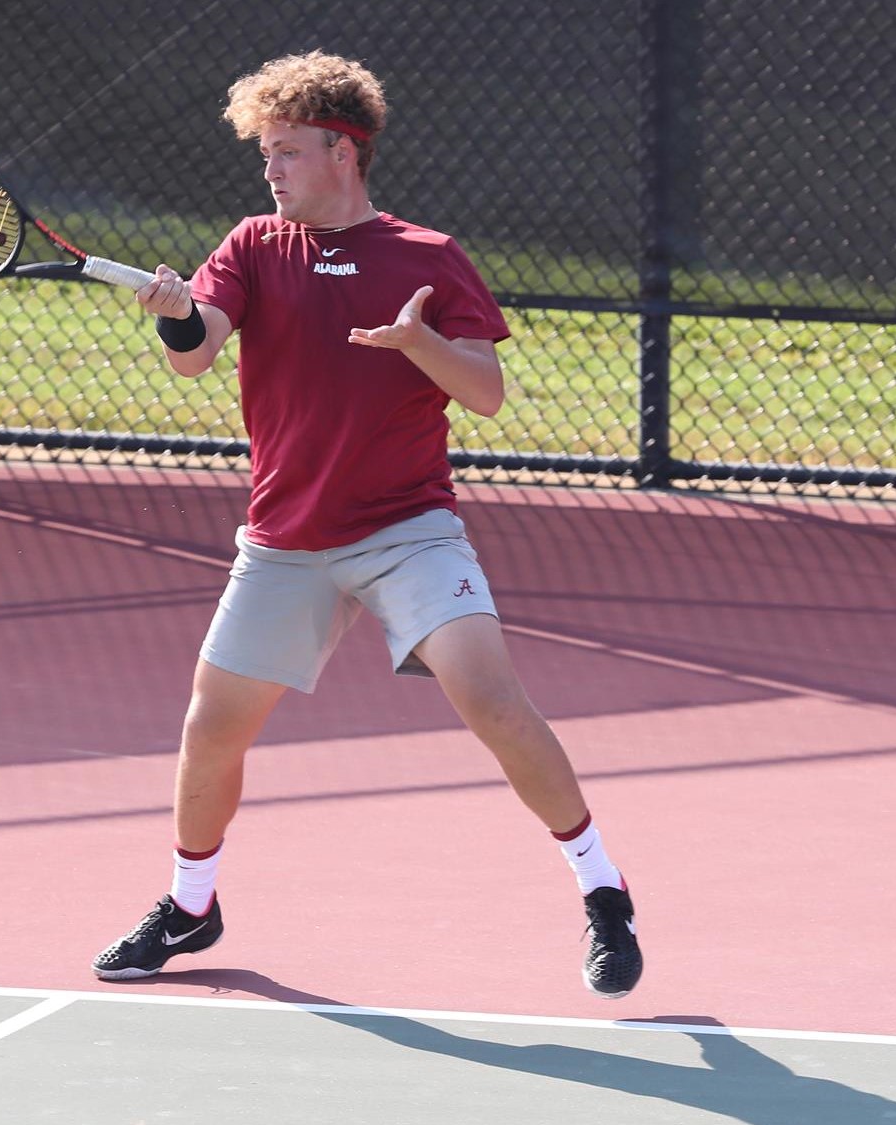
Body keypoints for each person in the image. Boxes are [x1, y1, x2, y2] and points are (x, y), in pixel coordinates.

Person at [91, 51, 642, 999]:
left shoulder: (427, 257)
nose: (271, 170)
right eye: (265, 153)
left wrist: (419, 342)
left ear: (344, 152)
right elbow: (195, 356)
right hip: (284, 540)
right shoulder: (255, 245)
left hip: (408, 530)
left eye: (288, 152)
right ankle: (191, 904)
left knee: (493, 702)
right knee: (211, 729)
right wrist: (178, 313)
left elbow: (488, 395)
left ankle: (603, 891)